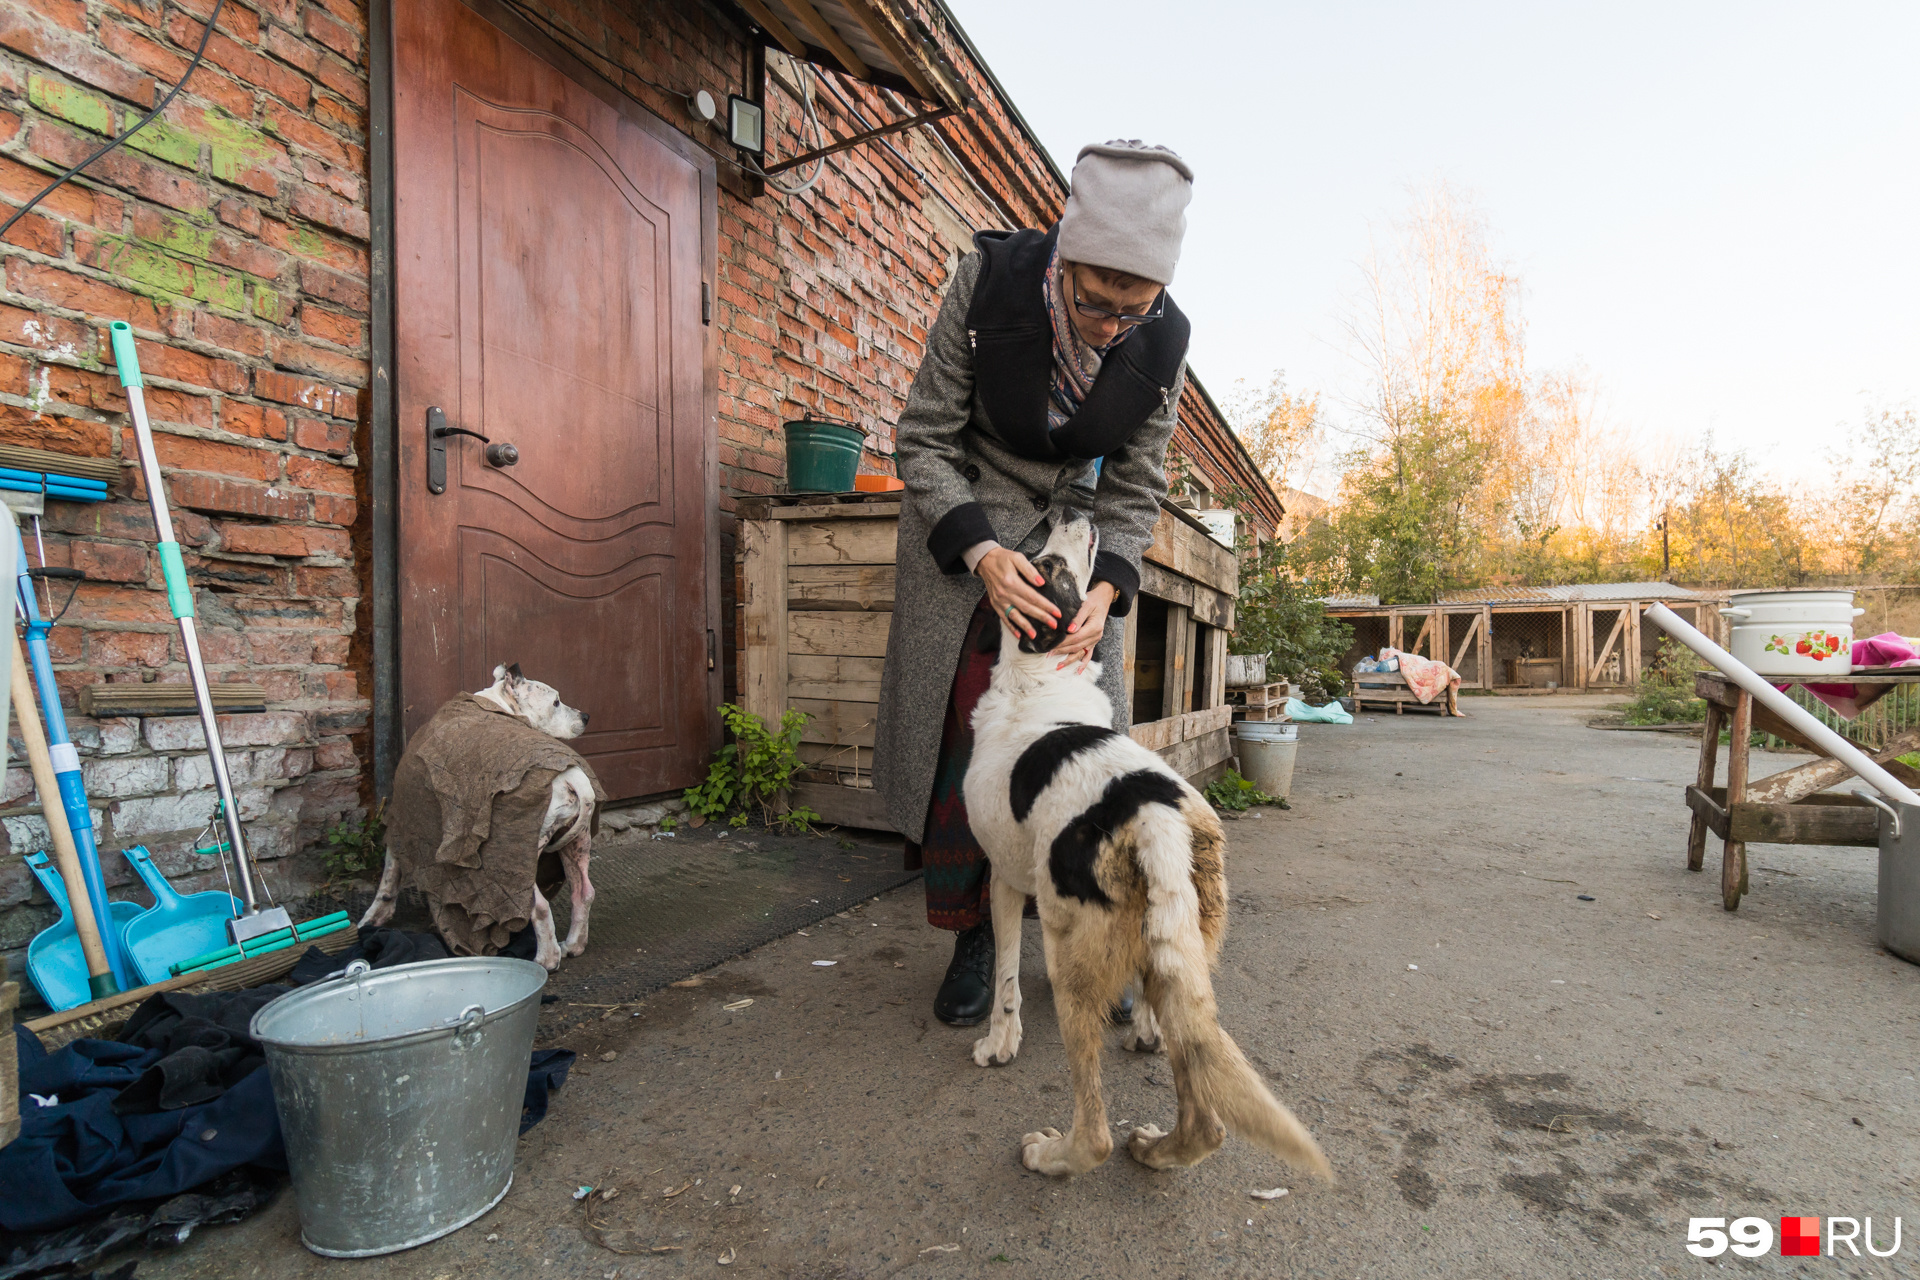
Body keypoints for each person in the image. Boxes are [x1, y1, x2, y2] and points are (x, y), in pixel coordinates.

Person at [873, 141, 1194, 1024]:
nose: (1112, 324)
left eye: (1134, 309)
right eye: (1095, 301)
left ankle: (1094, 939)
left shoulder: (1161, 339)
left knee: (1081, 755)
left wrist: (1109, 590)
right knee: (971, 740)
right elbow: (924, 438)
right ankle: (975, 932)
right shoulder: (988, 282)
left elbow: (1136, 484)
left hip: (1076, 535)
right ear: (1064, 258)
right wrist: (979, 552)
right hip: (967, 516)